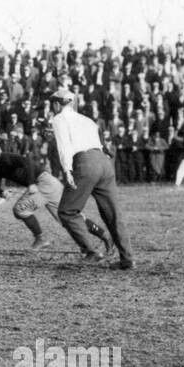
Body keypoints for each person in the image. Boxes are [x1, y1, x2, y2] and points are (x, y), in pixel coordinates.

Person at [48, 88, 133, 269]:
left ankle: (91, 251)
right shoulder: (87, 120)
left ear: (56, 104)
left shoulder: (58, 119)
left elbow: (64, 147)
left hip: (85, 164)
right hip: (104, 164)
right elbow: (101, 145)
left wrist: (67, 171)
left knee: (67, 211)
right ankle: (127, 259)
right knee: (113, 214)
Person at [0, 136, 111, 254]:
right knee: (69, 218)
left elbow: (28, 163)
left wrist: (31, 183)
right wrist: (1, 192)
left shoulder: (6, 158)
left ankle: (41, 239)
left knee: (21, 209)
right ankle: (104, 236)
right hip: (50, 183)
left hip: (42, 183)